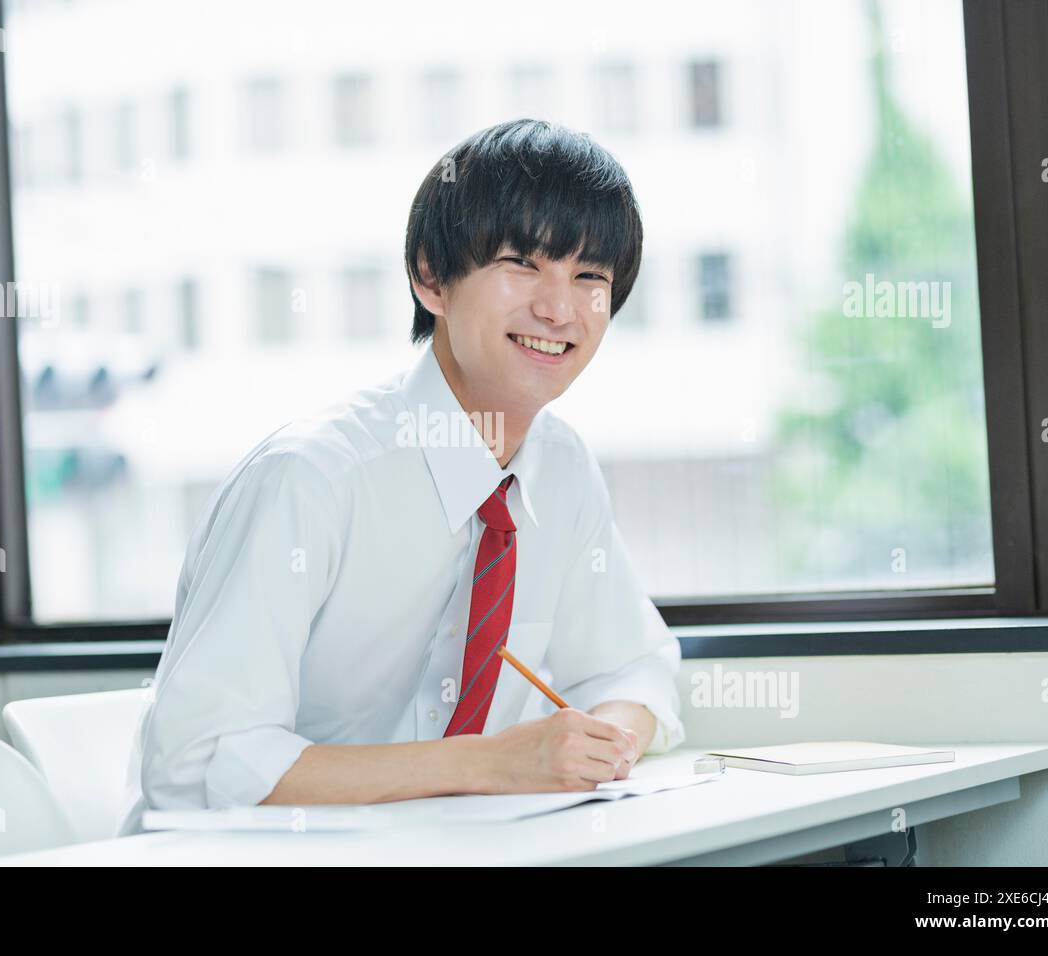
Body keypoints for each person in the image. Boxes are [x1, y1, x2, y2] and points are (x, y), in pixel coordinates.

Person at [116, 117, 685, 835]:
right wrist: (487, 765)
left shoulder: (561, 469)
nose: (559, 308)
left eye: (589, 277)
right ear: (431, 277)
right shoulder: (312, 479)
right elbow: (199, 765)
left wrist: (600, 742)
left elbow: (634, 668)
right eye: (522, 264)